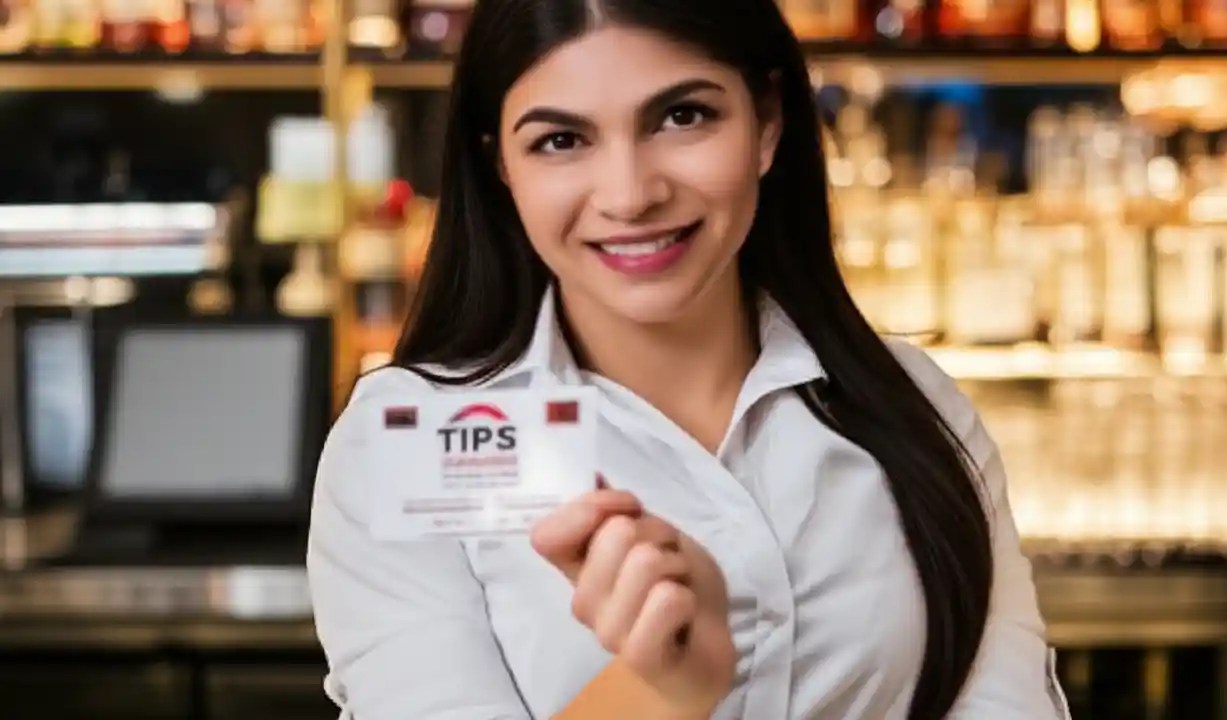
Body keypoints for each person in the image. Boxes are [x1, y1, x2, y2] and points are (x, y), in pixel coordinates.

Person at [306, 0, 1071, 718]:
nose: (630, 194)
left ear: (767, 122)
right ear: (502, 165)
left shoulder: (913, 406)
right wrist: (657, 692)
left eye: (682, 116)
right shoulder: (411, 441)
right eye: (561, 140)